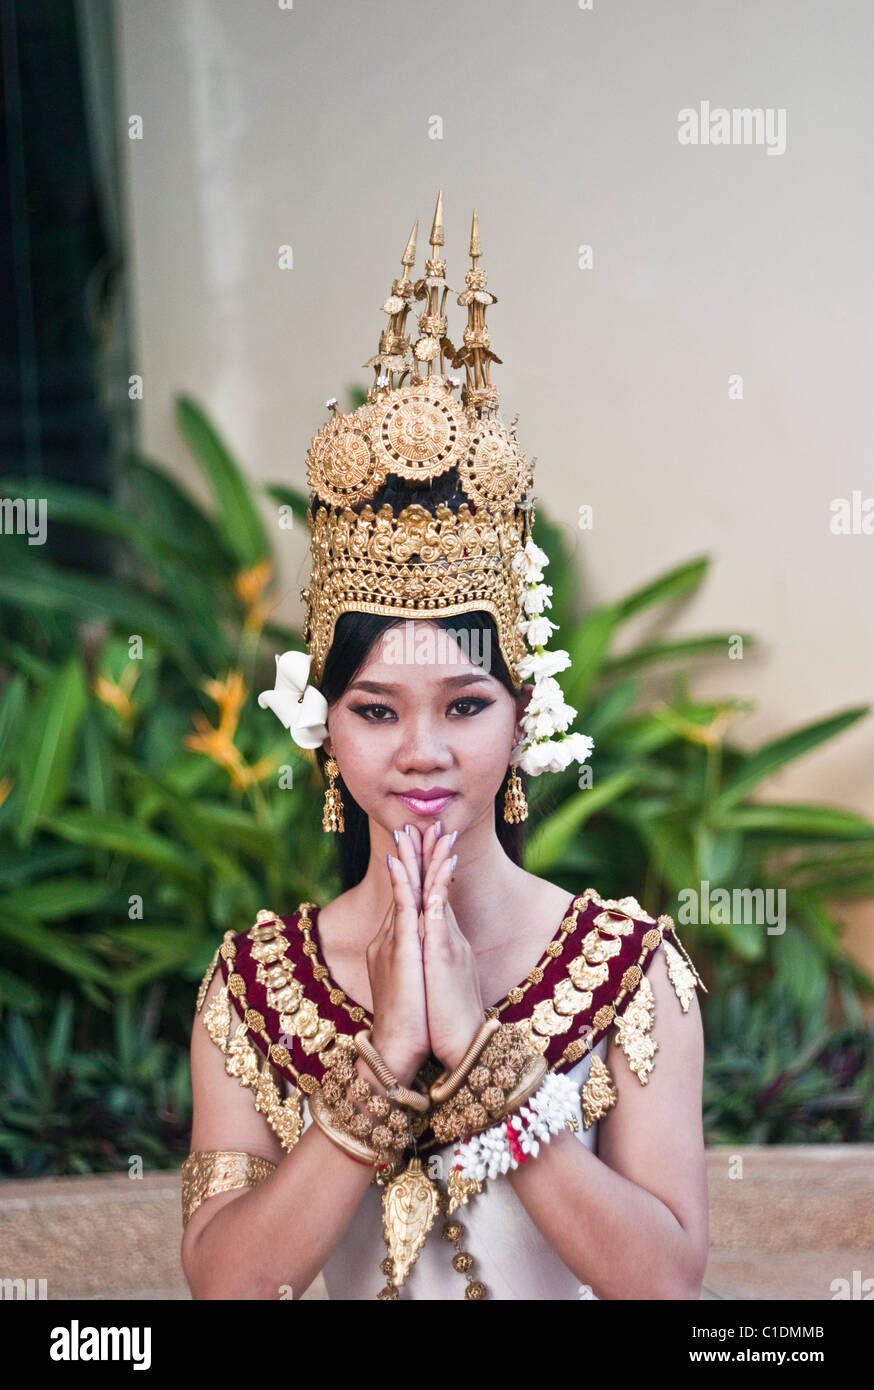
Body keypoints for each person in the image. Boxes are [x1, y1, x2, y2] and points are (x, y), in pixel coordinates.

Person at [179, 195, 710, 1301]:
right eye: (376, 710)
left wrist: (483, 1056)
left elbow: (663, 1283)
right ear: (324, 726)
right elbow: (225, 1282)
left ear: (522, 716)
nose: (421, 750)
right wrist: (381, 1058)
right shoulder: (254, 990)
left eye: (464, 705)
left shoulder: (626, 976)